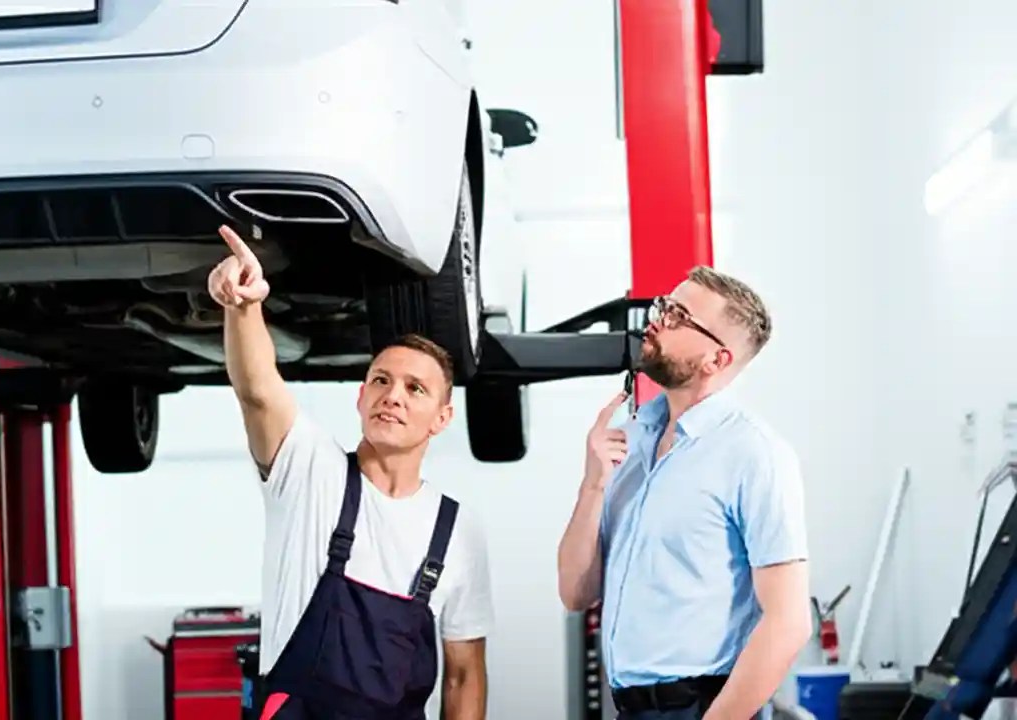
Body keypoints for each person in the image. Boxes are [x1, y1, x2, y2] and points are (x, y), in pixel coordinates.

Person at [208, 224, 493, 719]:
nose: (393, 396)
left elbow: (464, 674)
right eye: (380, 380)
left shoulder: (456, 531)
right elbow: (258, 391)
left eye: (415, 389)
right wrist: (244, 306)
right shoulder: (309, 472)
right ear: (361, 397)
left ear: (442, 418)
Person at [556, 266, 813, 720]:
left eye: (679, 316)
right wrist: (593, 482)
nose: (658, 319)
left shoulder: (754, 454)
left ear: (717, 360)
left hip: (703, 707)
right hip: (631, 708)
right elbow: (576, 595)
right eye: (665, 306)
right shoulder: (632, 441)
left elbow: (789, 623)